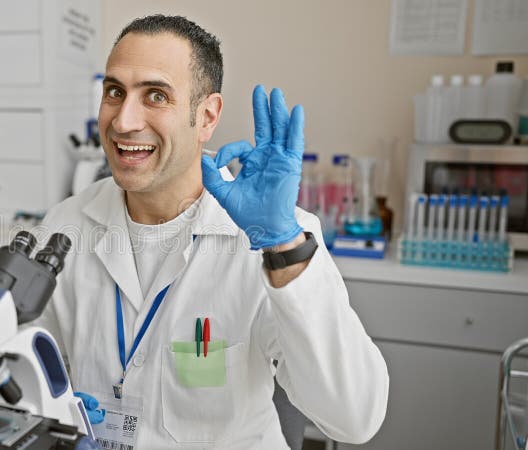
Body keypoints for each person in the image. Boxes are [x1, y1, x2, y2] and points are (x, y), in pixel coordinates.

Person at [32, 14, 388, 449]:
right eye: (114, 92)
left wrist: (282, 247)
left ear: (206, 116)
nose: (123, 121)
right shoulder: (66, 225)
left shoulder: (277, 239)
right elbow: (25, 364)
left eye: (156, 95)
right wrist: (53, 413)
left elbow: (355, 418)